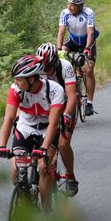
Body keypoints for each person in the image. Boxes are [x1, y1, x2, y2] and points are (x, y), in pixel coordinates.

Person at [0, 56, 65, 209]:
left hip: (47, 128)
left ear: (32, 79)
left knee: (43, 167)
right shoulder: (16, 90)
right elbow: (9, 118)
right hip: (26, 126)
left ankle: (46, 212)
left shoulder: (55, 90)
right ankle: (22, 197)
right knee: (16, 166)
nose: (15, 83)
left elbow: (54, 123)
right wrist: (1, 146)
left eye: (19, 79)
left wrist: (44, 149)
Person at [36, 43, 79, 196]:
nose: (45, 72)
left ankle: (70, 175)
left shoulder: (65, 66)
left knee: (62, 143)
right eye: (43, 68)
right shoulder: (37, 67)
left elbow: (73, 96)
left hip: (66, 105)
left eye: (48, 68)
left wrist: (66, 116)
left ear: (55, 63)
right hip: (47, 106)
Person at [57, 0, 99, 117]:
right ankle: (66, 91)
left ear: (80, 6)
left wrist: (87, 49)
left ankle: (89, 103)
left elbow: (91, 33)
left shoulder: (88, 13)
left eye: (73, 5)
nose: (69, 7)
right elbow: (61, 32)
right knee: (61, 58)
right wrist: (59, 48)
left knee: (88, 70)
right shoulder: (65, 13)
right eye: (69, 4)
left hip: (87, 42)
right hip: (73, 41)